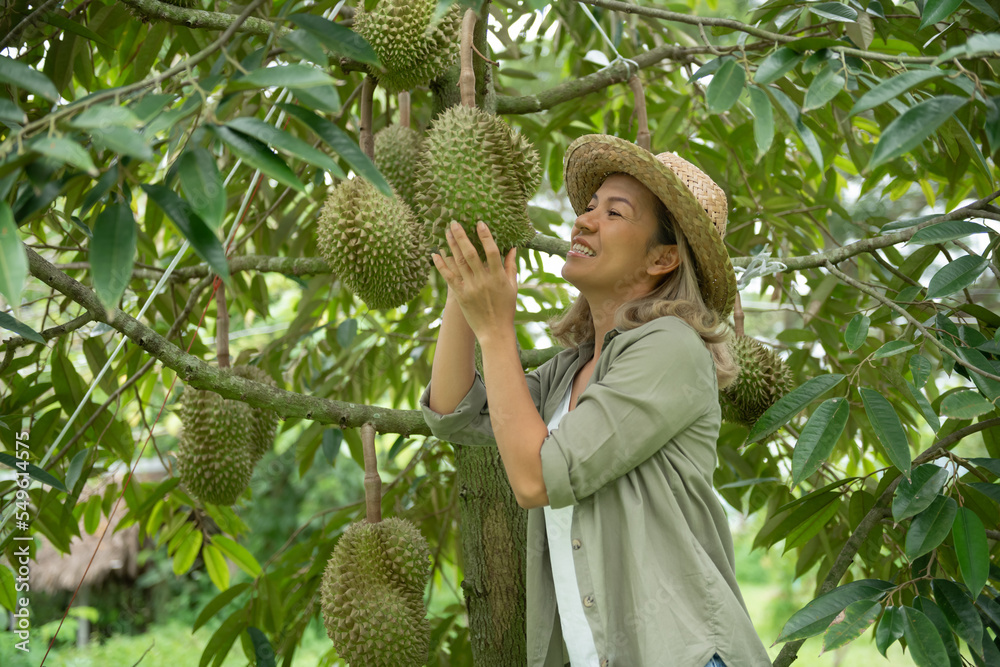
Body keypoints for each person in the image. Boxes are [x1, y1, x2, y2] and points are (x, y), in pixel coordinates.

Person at [419, 134, 771, 667]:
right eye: (588, 207)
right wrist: (463, 285)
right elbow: (455, 414)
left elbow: (537, 478)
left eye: (614, 212)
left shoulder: (672, 348)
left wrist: (495, 329)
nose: (582, 221)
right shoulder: (571, 371)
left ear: (662, 258)